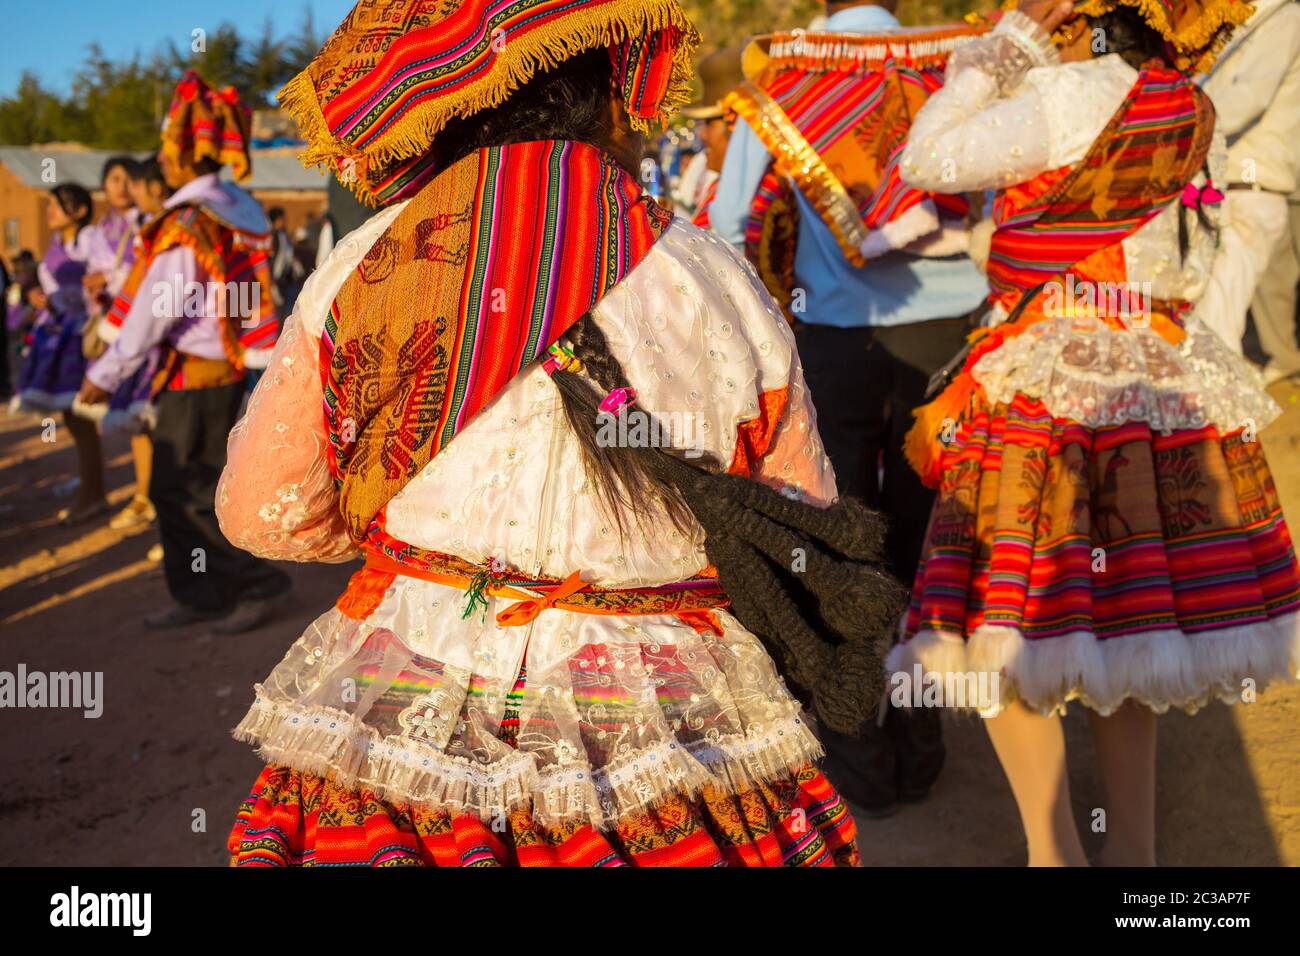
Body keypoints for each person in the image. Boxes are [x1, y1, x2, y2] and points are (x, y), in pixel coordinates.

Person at [217, 0, 902, 868]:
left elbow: (260, 515)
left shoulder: (363, 266)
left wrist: (410, 531)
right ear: (607, 93)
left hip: (414, 698)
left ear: (441, 106)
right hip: (667, 730)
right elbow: (798, 509)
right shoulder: (714, 275)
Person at [894, 0, 1297, 865]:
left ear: (1077, 22)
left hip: (1050, 376)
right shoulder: (1191, 108)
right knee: (1128, 626)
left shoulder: (1065, 93)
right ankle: (1133, 856)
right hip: (1157, 372)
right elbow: (1194, 260)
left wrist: (1001, 47)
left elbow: (926, 158)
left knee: (1005, 624)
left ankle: (1056, 854)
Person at [708, 0, 993, 816]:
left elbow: (731, 227)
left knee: (841, 540)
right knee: (930, 535)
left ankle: (860, 748)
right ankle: (923, 731)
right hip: (949, 336)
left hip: (836, 333)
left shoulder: (788, 76)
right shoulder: (956, 68)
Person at [77, 71, 289, 633]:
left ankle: (251, 584)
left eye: (169, 148)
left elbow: (157, 310)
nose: (163, 161)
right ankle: (202, 592)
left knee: (188, 488)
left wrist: (107, 371)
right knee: (188, 485)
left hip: (196, 376)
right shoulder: (234, 207)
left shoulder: (190, 223)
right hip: (213, 371)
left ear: (187, 153)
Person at [1200, 0, 1300, 380]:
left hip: (1249, 188)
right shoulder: (1240, 19)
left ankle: (1220, 429)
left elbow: (1247, 99)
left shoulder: (1284, 17)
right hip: (1230, 186)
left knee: (1216, 331)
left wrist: (1175, 119)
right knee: (1212, 322)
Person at [17, 183, 109, 524]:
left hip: (84, 338)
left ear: (79, 210)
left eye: (57, 205)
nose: (49, 211)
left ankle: (94, 495)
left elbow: (107, 278)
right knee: (75, 418)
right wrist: (37, 295)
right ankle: (91, 490)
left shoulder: (91, 240)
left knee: (83, 417)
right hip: (60, 337)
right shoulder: (56, 245)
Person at [677, 47, 744, 226]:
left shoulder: (755, 197)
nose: (703, 134)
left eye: (710, 123)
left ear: (736, 124)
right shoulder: (723, 189)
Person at [266, 206, 304, 320]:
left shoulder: (284, 236)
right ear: (277, 220)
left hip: (286, 279)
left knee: (288, 312)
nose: (285, 221)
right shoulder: (272, 236)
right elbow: (271, 259)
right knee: (278, 313)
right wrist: (271, 281)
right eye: (282, 219)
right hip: (276, 280)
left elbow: (288, 255)